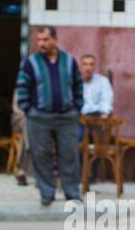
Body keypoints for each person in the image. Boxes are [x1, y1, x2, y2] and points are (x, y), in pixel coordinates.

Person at [15, 26, 84, 206]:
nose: (41, 44)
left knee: (69, 155)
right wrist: (28, 109)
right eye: (39, 40)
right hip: (39, 118)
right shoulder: (31, 62)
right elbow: (22, 87)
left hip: (66, 117)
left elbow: (78, 84)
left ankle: (71, 192)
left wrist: (77, 107)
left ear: (55, 39)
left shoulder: (69, 61)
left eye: (45, 40)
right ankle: (47, 193)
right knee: (41, 155)